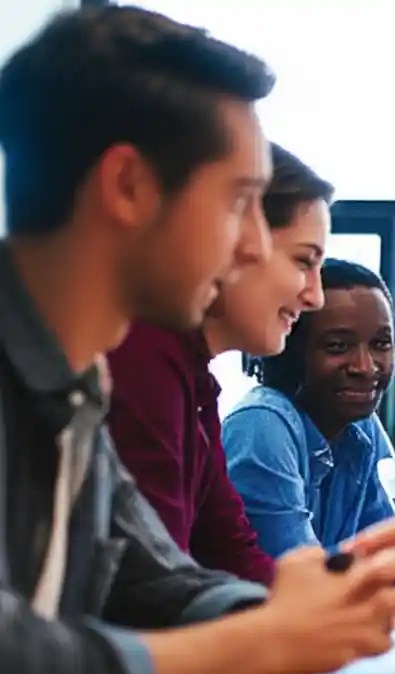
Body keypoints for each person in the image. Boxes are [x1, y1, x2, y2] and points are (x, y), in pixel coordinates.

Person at [0, 7, 395, 674]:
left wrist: (304, 613)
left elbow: (157, 577)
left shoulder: (78, 384)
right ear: (128, 187)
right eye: (240, 203)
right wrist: (266, 636)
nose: (254, 247)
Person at [105, 143, 332, 585]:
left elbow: (229, 550)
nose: (316, 297)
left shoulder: (193, 377)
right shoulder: (143, 355)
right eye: (304, 262)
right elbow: (154, 588)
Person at [226, 259, 395, 572]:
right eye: (338, 346)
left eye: (381, 344)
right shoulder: (261, 424)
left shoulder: (363, 426)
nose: (366, 367)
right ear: (292, 350)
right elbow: (304, 581)